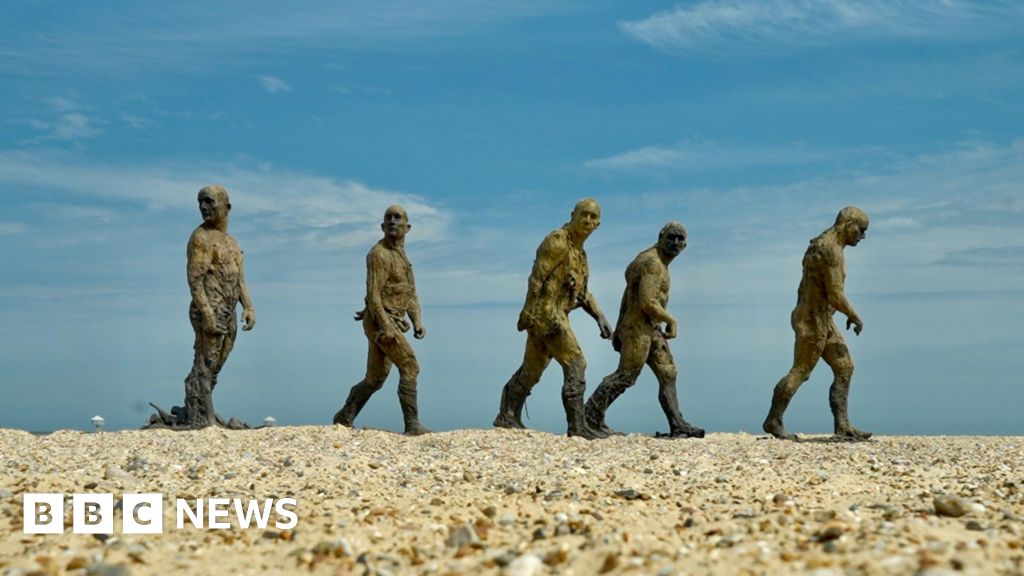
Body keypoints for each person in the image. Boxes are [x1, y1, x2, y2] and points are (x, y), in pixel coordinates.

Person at [493, 198, 613, 440]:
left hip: (554, 314)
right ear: (573, 215)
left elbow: (582, 293)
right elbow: (536, 279)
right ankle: (577, 426)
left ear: (598, 224)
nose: (588, 220)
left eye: (593, 217)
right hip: (548, 316)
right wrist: (528, 314)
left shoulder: (580, 253)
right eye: (584, 215)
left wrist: (599, 316)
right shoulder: (558, 241)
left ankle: (507, 416)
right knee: (576, 363)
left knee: (532, 370)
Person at [584, 222, 704, 438]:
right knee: (626, 376)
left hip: (650, 327)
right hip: (638, 328)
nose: (675, 243)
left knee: (668, 373)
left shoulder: (653, 260)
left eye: (680, 240)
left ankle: (677, 423)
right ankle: (589, 418)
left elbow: (631, 296)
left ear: (685, 246)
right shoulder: (652, 263)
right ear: (661, 236)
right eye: (671, 238)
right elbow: (647, 301)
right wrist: (671, 320)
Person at [763, 206, 871, 441]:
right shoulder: (830, 249)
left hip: (822, 317)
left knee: (844, 367)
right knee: (801, 370)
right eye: (861, 230)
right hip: (812, 320)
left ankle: (842, 425)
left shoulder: (825, 244)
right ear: (849, 223)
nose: (863, 236)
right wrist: (854, 315)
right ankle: (773, 419)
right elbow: (835, 293)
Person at [333, 205, 430, 435]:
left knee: (375, 378)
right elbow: (373, 294)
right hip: (381, 320)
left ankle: (344, 416)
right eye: (389, 218)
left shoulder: (402, 257)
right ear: (382, 226)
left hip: (394, 319)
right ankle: (412, 424)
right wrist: (385, 325)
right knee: (410, 366)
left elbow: (409, 292)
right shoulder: (379, 254)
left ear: (408, 227)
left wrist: (417, 320)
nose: (393, 222)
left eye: (398, 218)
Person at [182, 185, 255, 428]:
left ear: (226, 207)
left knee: (218, 361)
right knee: (206, 361)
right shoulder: (200, 238)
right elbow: (195, 279)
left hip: (229, 309)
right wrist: (207, 313)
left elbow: (240, 278)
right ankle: (203, 418)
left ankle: (201, 410)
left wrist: (249, 307)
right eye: (200, 202)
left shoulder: (231, 242)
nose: (203, 207)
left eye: (209, 202)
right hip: (210, 308)